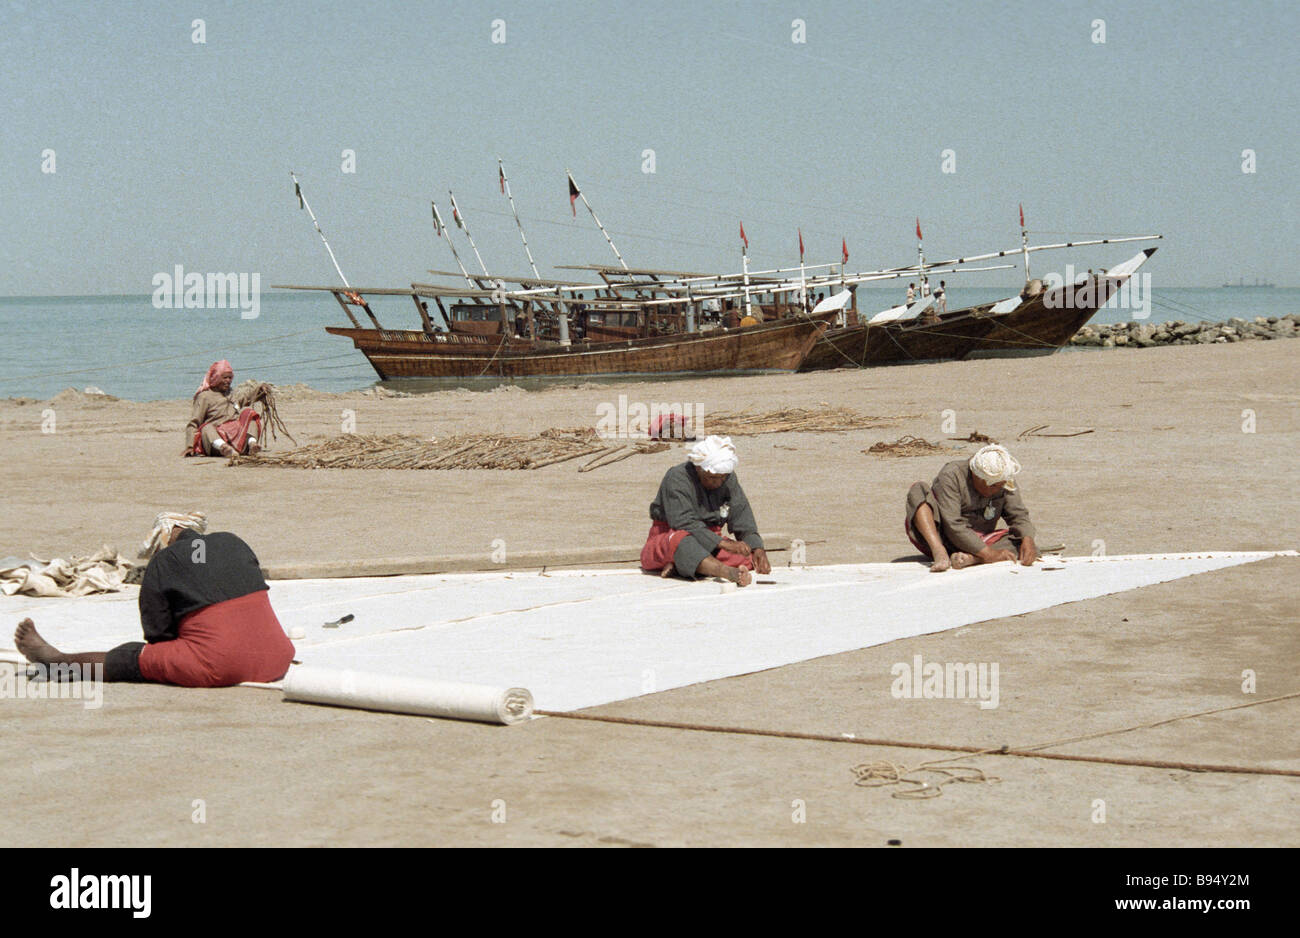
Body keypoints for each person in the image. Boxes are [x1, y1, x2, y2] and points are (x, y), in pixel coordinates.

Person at [14, 512, 295, 687]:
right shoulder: (234, 542)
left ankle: (57, 660)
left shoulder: (163, 561)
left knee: (130, 656)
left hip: (221, 665)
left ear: (161, 540)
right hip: (279, 657)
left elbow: (156, 634)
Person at [640, 436, 770, 587]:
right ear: (698, 468)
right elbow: (683, 522)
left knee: (747, 556)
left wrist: (757, 548)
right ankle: (725, 571)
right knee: (681, 542)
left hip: (711, 541)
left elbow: (742, 514)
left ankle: (685, 565)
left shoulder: (728, 478)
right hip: (673, 535)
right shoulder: (677, 477)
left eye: (722, 478)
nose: (718, 482)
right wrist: (723, 544)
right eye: (712, 478)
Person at [904, 445, 1038, 572]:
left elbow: (1018, 515)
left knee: (1024, 545)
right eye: (993, 486)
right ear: (977, 477)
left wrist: (1027, 539)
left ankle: (974, 558)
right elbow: (952, 523)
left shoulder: (1004, 479)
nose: (996, 490)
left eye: (999, 486)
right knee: (918, 491)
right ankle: (939, 552)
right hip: (944, 536)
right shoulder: (952, 474)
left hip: (982, 540)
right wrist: (988, 553)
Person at [184, 360, 262, 457]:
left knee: (250, 414)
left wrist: (260, 391)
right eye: (225, 378)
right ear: (216, 378)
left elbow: (246, 399)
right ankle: (224, 448)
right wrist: (190, 446)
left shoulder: (232, 393)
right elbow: (194, 422)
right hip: (216, 438)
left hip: (238, 436)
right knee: (206, 428)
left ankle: (252, 444)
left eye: (230, 378)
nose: (228, 381)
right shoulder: (204, 397)